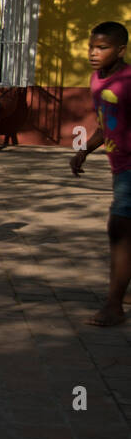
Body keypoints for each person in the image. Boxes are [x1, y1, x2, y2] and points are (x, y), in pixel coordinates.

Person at [70, 20, 131, 326]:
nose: (94, 53)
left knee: (119, 229)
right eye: (92, 46)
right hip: (118, 164)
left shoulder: (129, 81)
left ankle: (114, 305)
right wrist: (85, 150)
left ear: (120, 50)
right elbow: (105, 123)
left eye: (102, 48)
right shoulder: (97, 80)